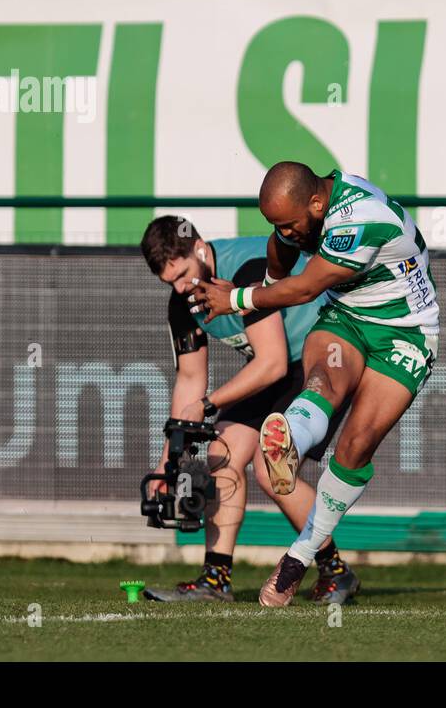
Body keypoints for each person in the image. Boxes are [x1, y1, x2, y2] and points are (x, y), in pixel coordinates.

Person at [191, 162, 439, 607]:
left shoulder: (357, 218)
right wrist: (270, 278)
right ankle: (290, 440)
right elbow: (282, 247)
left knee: (356, 446)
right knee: (324, 379)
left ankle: (299, 557)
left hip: (405, 331)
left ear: (317, 203)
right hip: (347, 318)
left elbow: (307, 288)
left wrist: (238, 297)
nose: (284, 231)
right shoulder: (308, 209)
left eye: (288, 222)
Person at [139, 216, 360, 605]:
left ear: (200, 248)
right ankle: (216, 578)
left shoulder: (245, 268)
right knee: (221, 453)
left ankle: (335, 571)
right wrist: (165, 463)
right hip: (275, 367)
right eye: (169, 282)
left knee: (267, 466)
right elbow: (190, 380)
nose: (179, 288)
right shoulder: (182, 301)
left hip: (322, 355)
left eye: (184, 274)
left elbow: (273, 362)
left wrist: (208, 405)